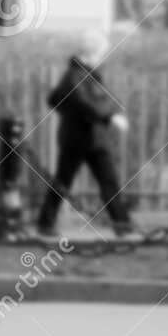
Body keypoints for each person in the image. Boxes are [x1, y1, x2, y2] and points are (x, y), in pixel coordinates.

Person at [37, 28, 136, 238]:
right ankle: (46, 222)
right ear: (89, 54)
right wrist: (110, 117)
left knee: (104, 180)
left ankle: (122, 222)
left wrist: (101, 113)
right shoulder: (76, 76)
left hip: (90, 137)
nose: (101, 59)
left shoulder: (81, 75)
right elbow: (86, 102)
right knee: (67, 181)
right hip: (80, 138)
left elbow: (58, 99)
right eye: (100, 54)